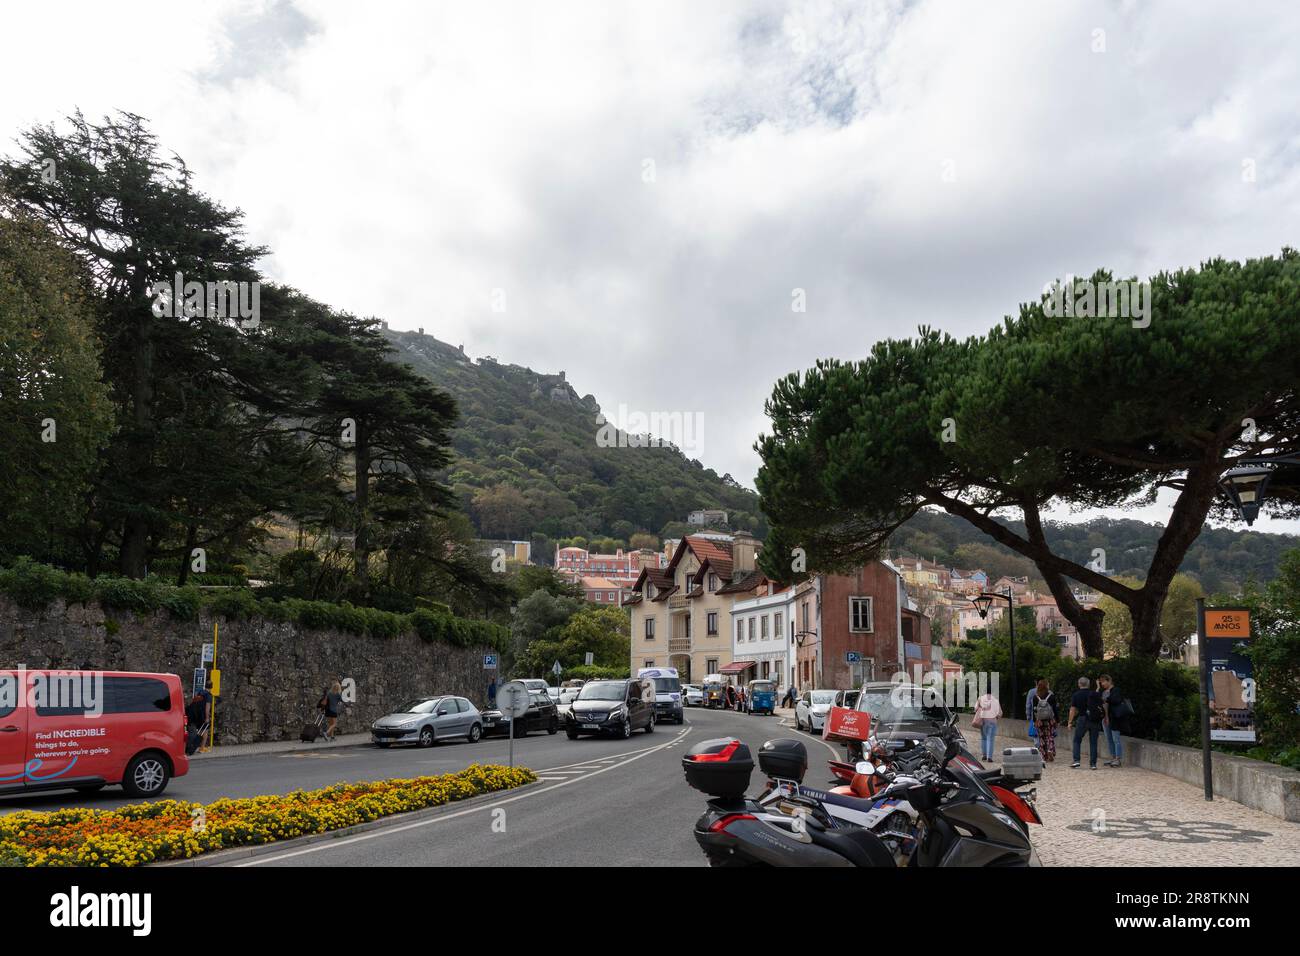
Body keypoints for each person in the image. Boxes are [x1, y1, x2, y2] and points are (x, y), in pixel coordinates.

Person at [1068, 676, 1105, 769]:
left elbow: (1072, 709)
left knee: (1077, 740)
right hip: (1094, 719)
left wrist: (1070, 722)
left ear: (1079, 684)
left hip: (1082, 719)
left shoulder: (1076, 695)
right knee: (1093, 742)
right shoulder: (1093, 694)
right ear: (1088, 684)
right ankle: (1093, 764)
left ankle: (1076, 761)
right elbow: (1101, 704)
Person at [1099, 674, 1131, 767]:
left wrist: (1107, 699)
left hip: (1114, 719)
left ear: (1109, 681)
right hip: (1106, 718)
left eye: (1103, 682)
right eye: (1101, 682)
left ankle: (1118, 758)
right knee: (1109, 739)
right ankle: (1113, 757)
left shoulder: (1116, 690)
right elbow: (1103, 705)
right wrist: (1105, 717)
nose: (1102, 684)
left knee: (1115, 738)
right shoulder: (1104, 692)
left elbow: (1115, 700)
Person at [1029, 679, 1059, 762]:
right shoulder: (1051, 696)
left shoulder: (1035, 697)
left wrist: (1035, 721)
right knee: (1050, 736)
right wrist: (1057, 720)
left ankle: (1044, 756)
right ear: (1046, 686)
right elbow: (1055, 710)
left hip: (1040, 720)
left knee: (1041, 737)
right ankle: (1050, 749)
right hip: (1050, 720)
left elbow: (1034, 710)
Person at [972, 690, 1002, 762]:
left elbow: (975, 708)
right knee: (990, 739)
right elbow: (999, 713)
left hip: (983, 721)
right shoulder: (995, 700)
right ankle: (989, 757)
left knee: (984, 738)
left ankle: (984, 755)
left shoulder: (980, 698)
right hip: (992, 721)